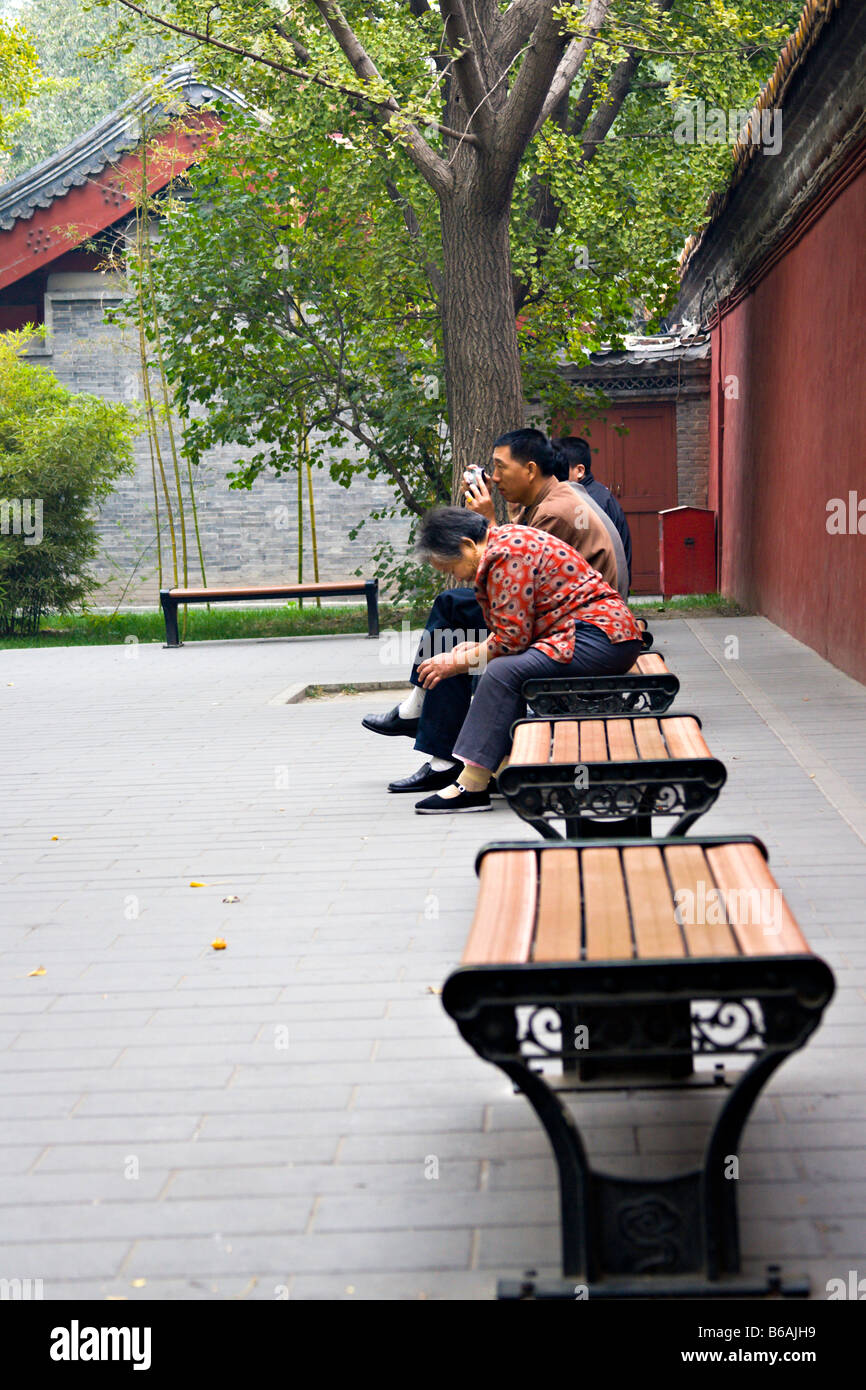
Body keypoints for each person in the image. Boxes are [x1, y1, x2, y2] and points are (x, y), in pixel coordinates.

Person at [361, 427, 621, 795]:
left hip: (580, 627)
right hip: (571, 622)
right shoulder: (547, 501)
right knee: (459, 625)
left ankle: (445, 749)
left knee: (456, 616)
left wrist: (489, 522)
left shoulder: (556, 511)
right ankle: (449, 750)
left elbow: (520, 577)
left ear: (530, 470)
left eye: (500, 468)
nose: (494, 477)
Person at [411, 508, 644, 813]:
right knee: (494, 666)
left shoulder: (505, 556)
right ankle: (502, 769)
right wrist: (476, 649)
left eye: (450, 567)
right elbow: (516, 630)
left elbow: (511, 641)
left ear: (467, 545)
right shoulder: (506, 545)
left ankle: (472, 783)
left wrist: (456, 663)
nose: (453, 576)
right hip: (601, 635)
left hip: (599, 638)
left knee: (500, 671)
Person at [552, 436, 633, 587]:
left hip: (602, 593)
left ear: (580, 471)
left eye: (559, 468)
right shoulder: (598, 494)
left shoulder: (584, 502)